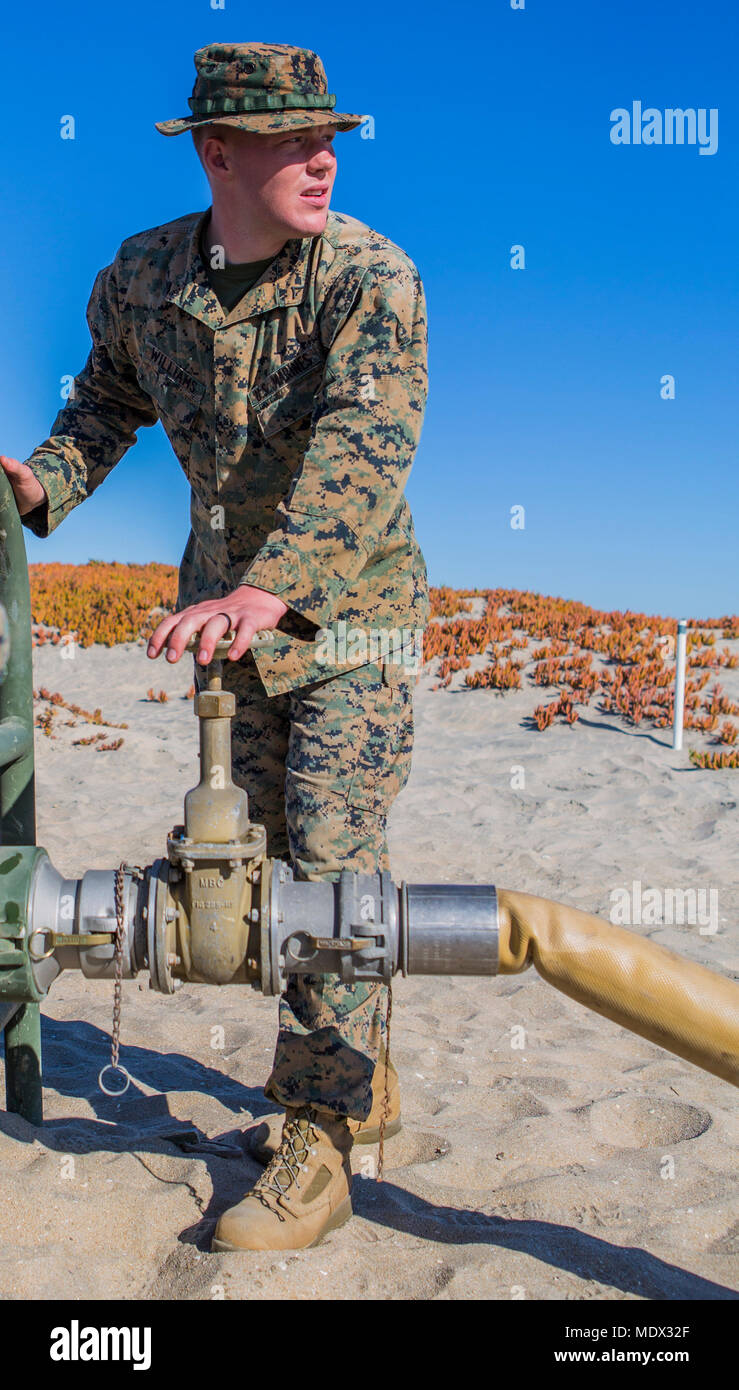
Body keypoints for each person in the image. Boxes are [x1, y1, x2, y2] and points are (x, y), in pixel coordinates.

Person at [0, 41, 429, 1251]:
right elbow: (105, 401)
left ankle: (322, 1134)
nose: (324, 159)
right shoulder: (143, 278)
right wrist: (41, 488)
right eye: (295, 138)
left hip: (354, 619)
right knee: (262, 865)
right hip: (222, 632)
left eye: (330, 136)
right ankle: (355, 1078)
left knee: (335, 858)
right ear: (216, 151)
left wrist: (272, 587)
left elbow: (362, 452)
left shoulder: (368, 280)